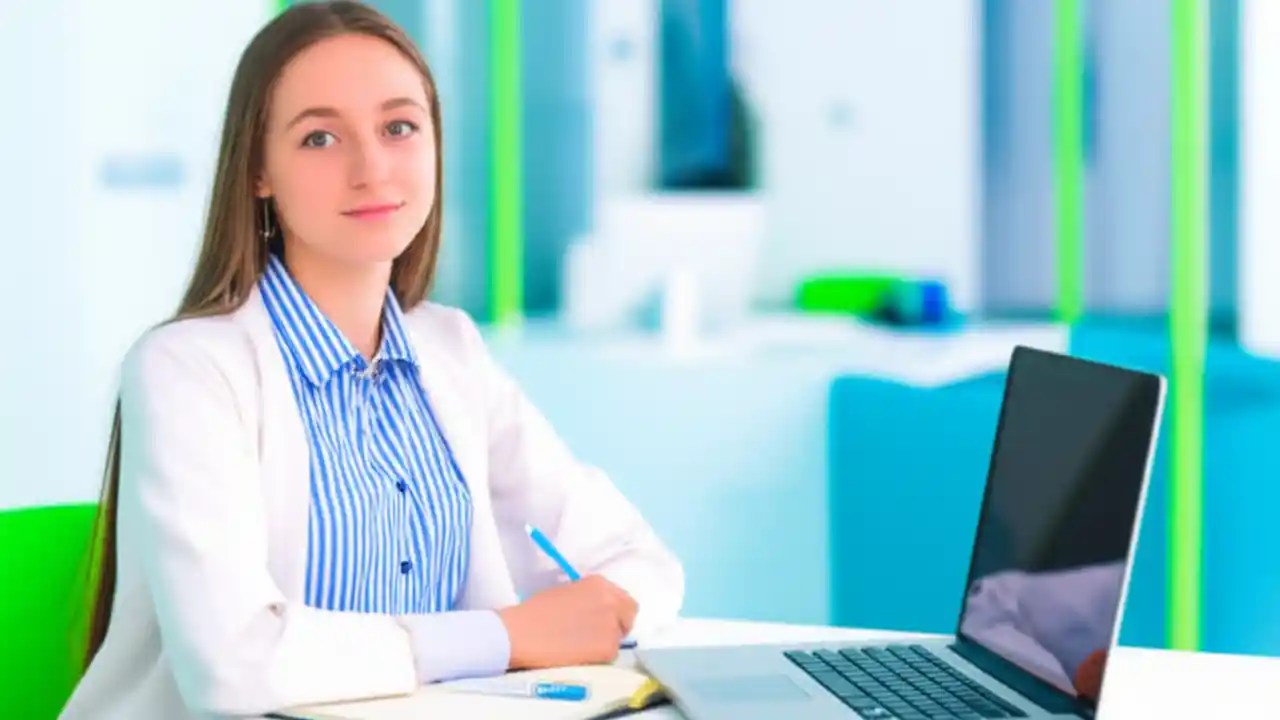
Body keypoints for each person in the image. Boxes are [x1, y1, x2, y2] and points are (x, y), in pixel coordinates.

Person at [60, 3, 683, 717]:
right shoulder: (187, 370)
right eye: (320, 137)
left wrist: (601, 611)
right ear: (258, 170)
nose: (372, 168)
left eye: (399, 127)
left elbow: (640, 561)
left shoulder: (451, 352)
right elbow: (233, 668)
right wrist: (505, 636)